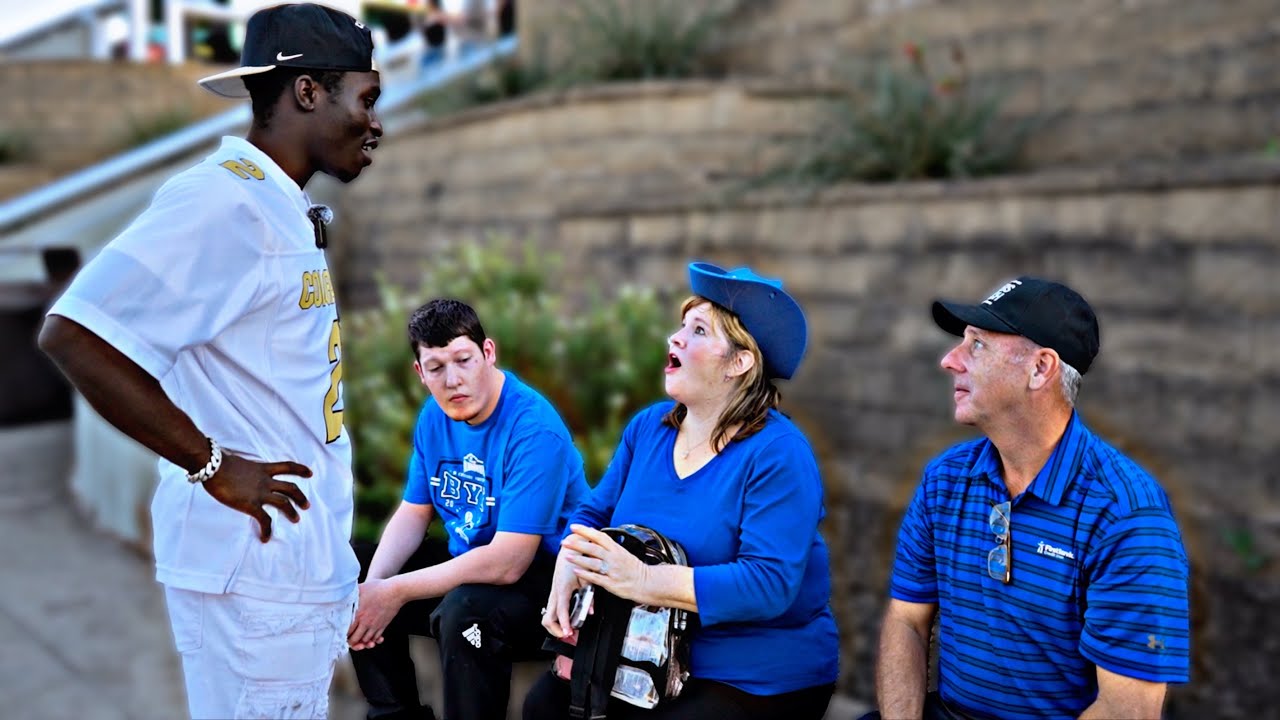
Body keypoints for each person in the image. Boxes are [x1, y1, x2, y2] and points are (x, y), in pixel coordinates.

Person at [37, 4, 383, 718]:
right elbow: (77, 335)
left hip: (284, 575)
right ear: (309, 93)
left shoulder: (274, 203)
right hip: (257, 576)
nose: (376, 122)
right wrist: (212, 464)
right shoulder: (224, 200)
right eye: (367, 98)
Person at [524, 262, 840, 720]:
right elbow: (591, 513)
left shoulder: (779, 454)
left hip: (750, 672)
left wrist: (646, 580)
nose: (675, 338)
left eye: (697, 330)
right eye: (681, 326)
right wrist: (570, 561)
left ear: (739, 362)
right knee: (542, 707)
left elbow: (769, 584)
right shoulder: (648, 427)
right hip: (640, 650)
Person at [865, 277, 1190, 719]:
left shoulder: (1127, 515)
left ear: (1040, 369)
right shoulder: (944, 479)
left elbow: (1126, 710)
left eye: (977, 345)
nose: (949, 360)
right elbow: (907, 620)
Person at [346, 298, 591, 720]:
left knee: (464, 612)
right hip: (474, 565)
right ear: (420, 373)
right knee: (352, 570)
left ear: (488, 353)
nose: (453, 380)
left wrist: (395, 592)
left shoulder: (534, 429)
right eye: (437, 368)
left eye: (464, 360)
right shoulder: (435, 417)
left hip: (551, 587)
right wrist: (373, 589)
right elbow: (414, 512)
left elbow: (510, 562)